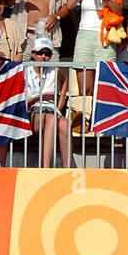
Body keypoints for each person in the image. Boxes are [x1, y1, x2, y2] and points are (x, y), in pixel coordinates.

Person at [25, 37, 72, 169]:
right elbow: (22, 103)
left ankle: (68, 169)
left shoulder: (54, 69)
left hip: (51, 111)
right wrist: (40, 97)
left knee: (65, 124)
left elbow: (65, 80)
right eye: (40, 53)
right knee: (50, 119)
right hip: (32, 112)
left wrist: (60, 103)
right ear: (33, 54)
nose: (43, 57)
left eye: (47, 54)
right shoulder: (25, 70)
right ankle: (45, 168)